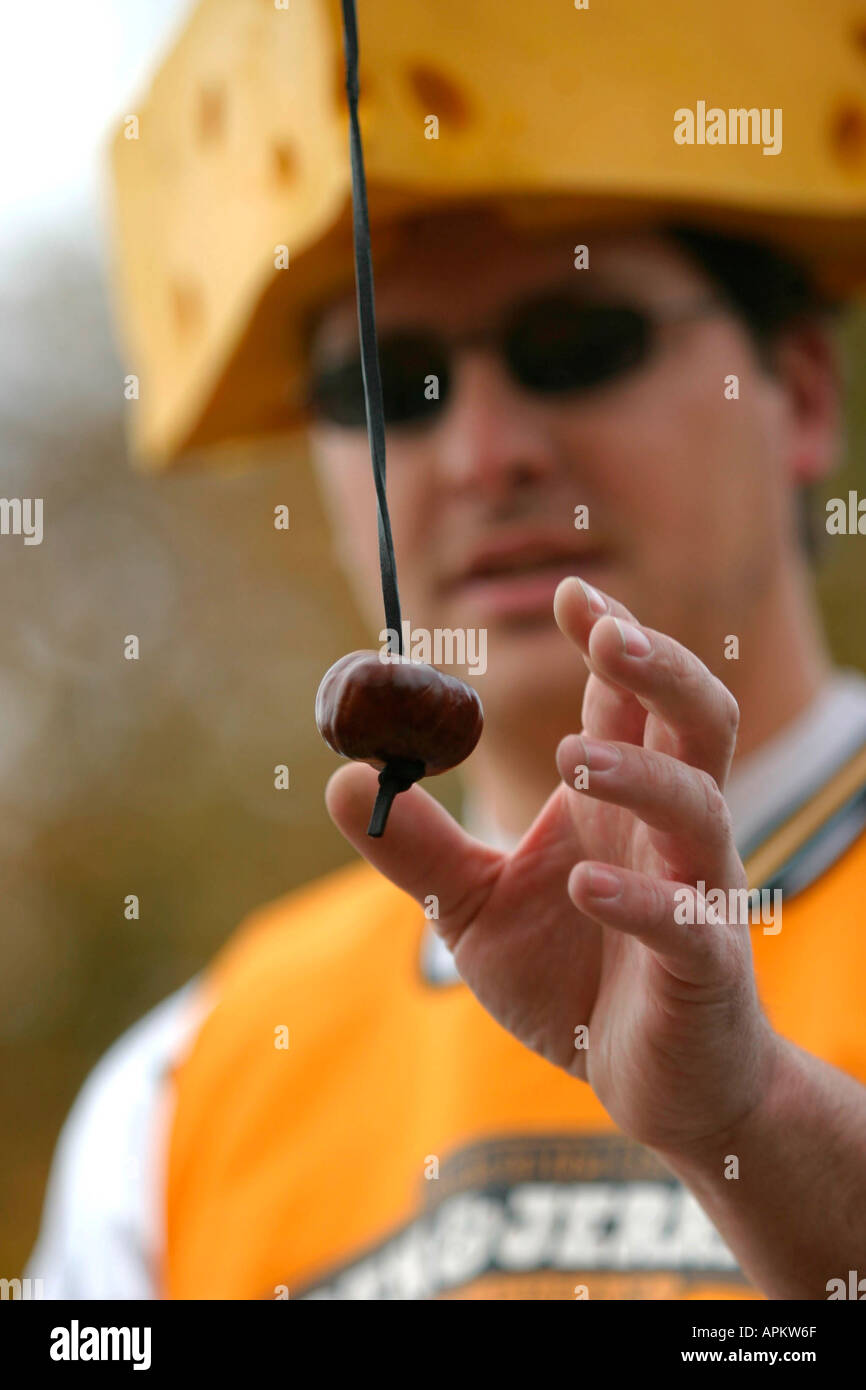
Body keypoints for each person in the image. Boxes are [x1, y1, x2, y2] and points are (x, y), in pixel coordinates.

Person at [27, 1, 866, 1300]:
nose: (481, 457)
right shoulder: (186, 1092)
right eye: (387, 389)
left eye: (576, 344)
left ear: (800, 391)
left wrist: (748, 1116)